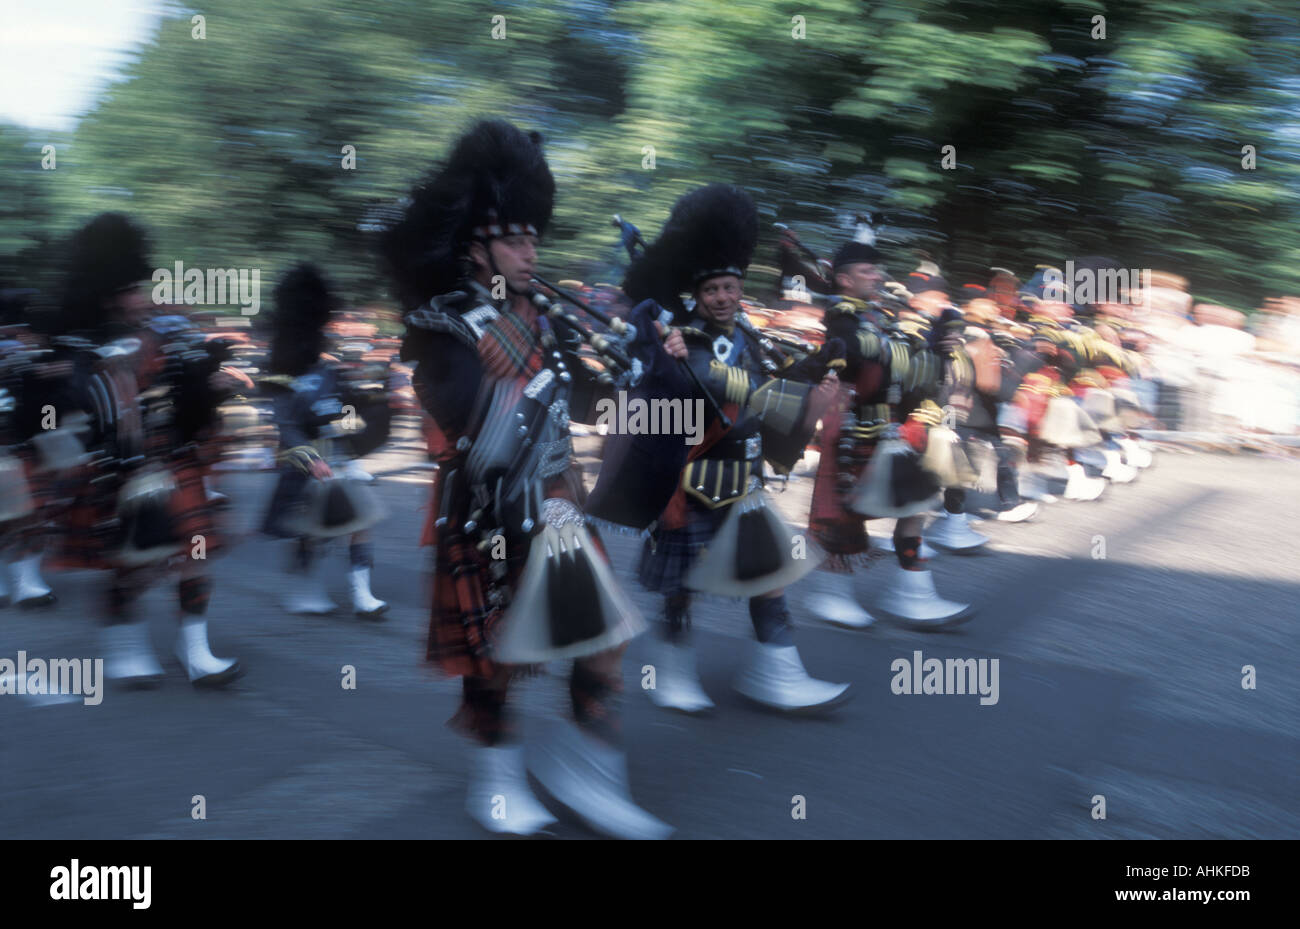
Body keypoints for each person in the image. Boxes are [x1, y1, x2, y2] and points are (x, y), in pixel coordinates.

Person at [382, 119, 668, 839]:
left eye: (533, 237)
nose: (531, 250)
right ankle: (499, 778)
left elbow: (581, 399)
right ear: (475, 248)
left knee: (604, 632)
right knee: (499, 653)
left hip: (557, 504)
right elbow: (469, 425)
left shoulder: (540, 317)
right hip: (486, 510)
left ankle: (587, 766)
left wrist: (636, 374)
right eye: (516, 238)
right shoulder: (442, 328)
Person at [613, 183, 850, 714]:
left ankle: (777, 673)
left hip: (743, 480)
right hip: (690, 476)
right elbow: (703, 384)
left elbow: (765, 392)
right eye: (714, 288)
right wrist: (791, 395)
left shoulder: (749, 334)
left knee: (767, 578)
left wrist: (815, 379)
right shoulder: (678, 337)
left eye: (730, 286)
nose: (724, 296)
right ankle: (671, 672)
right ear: (697, 294)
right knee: (685, 586)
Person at [54, 213, 241, 687]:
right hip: (122, 471)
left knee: (196, 554)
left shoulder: (164, 335)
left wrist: (211, 384)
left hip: (178, 462)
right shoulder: (90, 351)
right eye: (134, 289)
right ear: (113, 298)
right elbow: (86, 411)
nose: (145, 295)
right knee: (132, 565)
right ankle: (127, 647)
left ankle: (195, 649)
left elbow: (192, 395)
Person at [806, 243, 972, 628]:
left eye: (877, 271)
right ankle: (832, 595)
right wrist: (918, 345)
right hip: (850, 427)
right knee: (845, 517)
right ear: (845, 279)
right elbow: (860, 355)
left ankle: (912, 593)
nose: (878, 276)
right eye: (868, 271)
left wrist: (936, 350)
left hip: (890, 428)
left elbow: (907, 372)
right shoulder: (842, 318)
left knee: (913, 505)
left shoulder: (880, 318)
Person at [259, 264, 389, 618]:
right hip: (303, 465)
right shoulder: (279, 373)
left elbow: (344, 414)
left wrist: (372, 409)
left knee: (360, 522)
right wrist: (310, 460)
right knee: (312, 533)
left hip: (336, 461)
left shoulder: (328, 369)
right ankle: (304, 587)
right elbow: (286, 426)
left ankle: (362, 595)